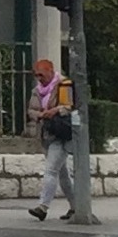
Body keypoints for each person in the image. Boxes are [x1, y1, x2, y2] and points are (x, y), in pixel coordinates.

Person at [26, 58, 74, 222]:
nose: (39, 78)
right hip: (47, 133)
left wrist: (54, 111)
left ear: (51, 71)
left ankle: (43, 207)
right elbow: (31, 110)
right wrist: (40, 115)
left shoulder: (64, 85)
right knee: (63, 174)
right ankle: (75, 207)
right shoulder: (37, 91)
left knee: (51, 170)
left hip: (60, 134)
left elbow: (68, 106)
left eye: (41, 74)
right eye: (36, 75)